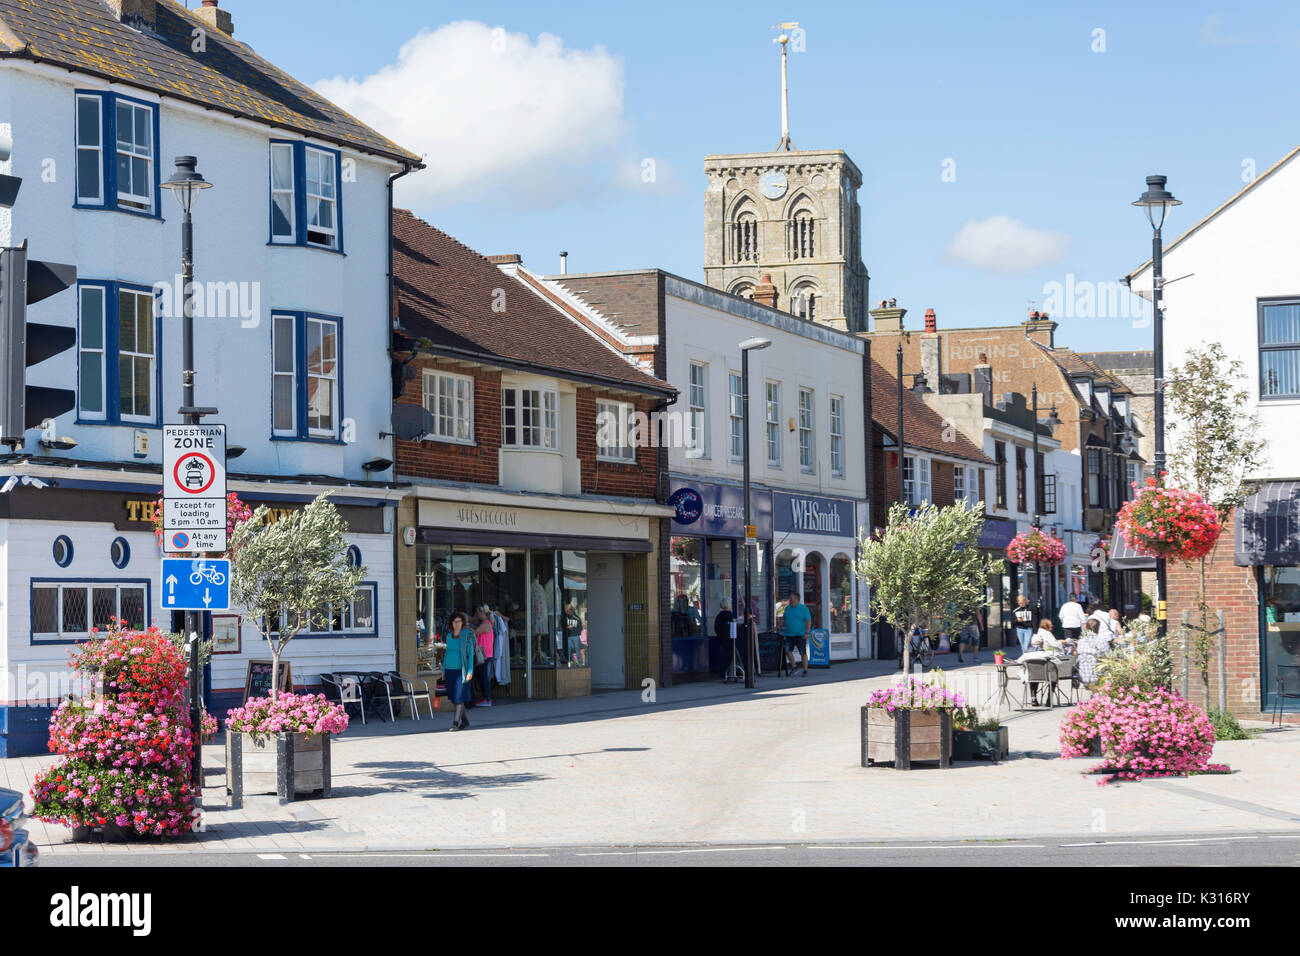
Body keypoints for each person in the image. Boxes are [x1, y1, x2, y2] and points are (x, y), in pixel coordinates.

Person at [443, 610, 475, 730]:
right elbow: (447, 654)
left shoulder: (467, 636)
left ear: (462, 623)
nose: (457, 623)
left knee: (458, 697)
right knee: (453, 697)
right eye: (455, 621)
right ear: (451, 623)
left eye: (459, 621)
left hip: (461, 672)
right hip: (449, 671)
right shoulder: (448, 636)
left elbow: (470, 655)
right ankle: (465, 720)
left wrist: (470, 671)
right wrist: (443, 670)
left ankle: (455, 724)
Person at [781, 591, 812, 677]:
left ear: (797, 599)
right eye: (789, 599)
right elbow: (784, 620)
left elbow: (808, 621)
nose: (790, 600)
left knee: (803, 653)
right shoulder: (787, 608)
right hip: (789, 634)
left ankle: (805, 670)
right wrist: (776, 627)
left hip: (800, 635)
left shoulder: (803, 609)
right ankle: (794, 667)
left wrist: (807, 632)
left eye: (791, 599)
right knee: (787, 651)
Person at [1077, 618, 1110, 687]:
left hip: (1083, 677)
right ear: (1098, 628)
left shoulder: (1080, 642)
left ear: (1086, 628)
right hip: (1097, 677)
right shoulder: (1101, 641)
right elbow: (1109, 656)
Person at [473, 606, 495, 707]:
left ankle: (487, 698)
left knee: (483, 676)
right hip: (484, 653)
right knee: (481, 675)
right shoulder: (487, 623)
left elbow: (474, 633)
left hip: (483, 654)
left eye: (477, 613)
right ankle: (485, 697)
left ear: (482, 613)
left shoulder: (485, 624)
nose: (476, 615)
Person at [714, 598, 736, 679]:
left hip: (721, 639)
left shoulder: (719, 616)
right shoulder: (730, 615)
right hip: (729, 640)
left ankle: (723, 673)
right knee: (728, 657)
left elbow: (716, 628)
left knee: (723, 657)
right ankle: (727, 673)